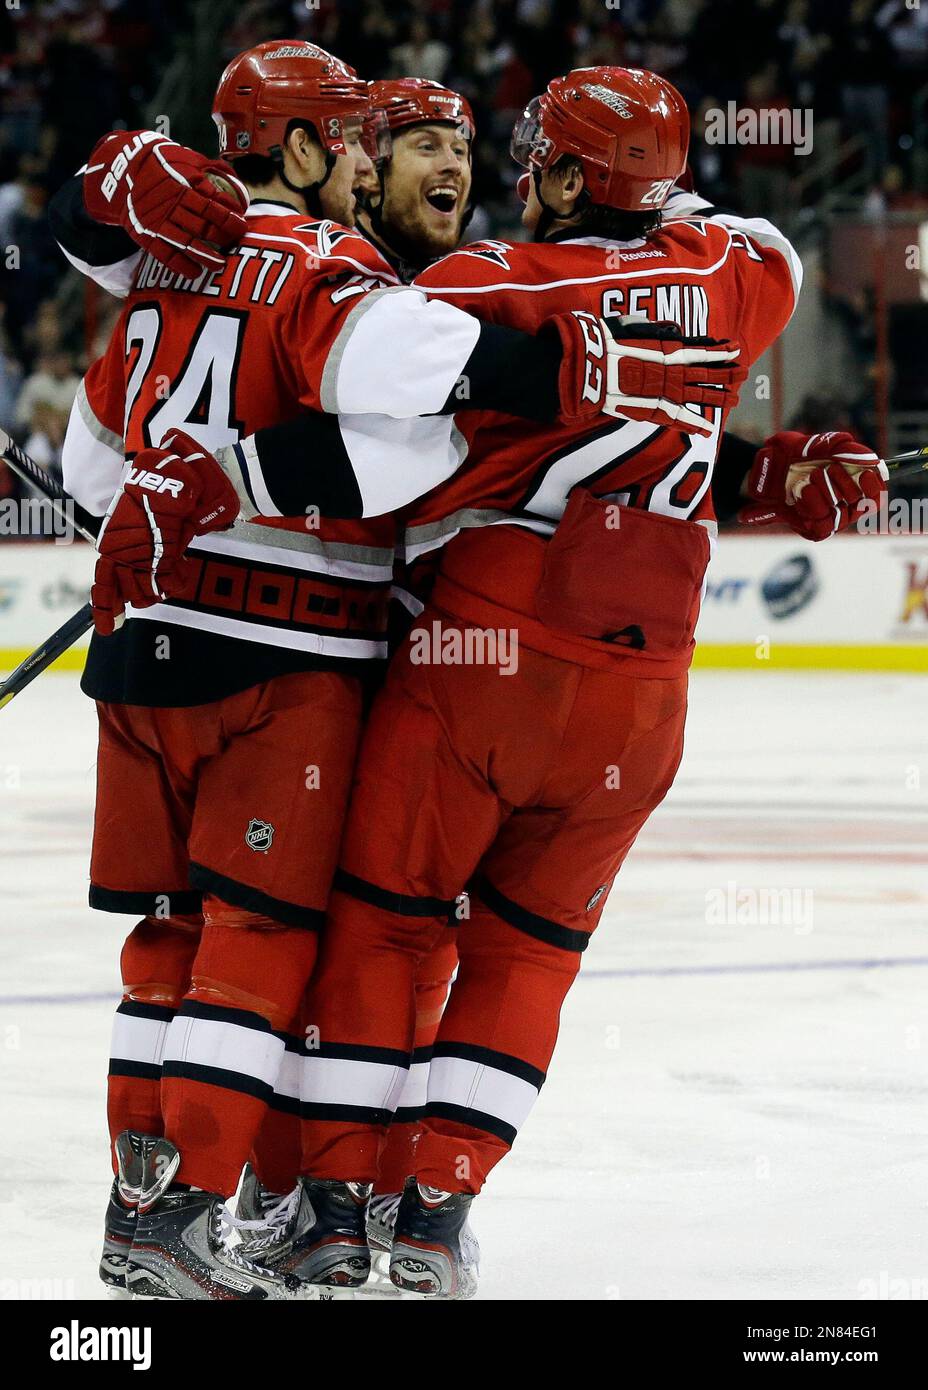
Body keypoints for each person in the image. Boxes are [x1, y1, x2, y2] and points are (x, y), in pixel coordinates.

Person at [169, 66, 883, 1299]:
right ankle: (435, 1221)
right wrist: (768, 473)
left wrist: (213, 482)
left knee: (382, 924)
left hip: (481, 658)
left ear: (559, 174)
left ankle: (335, 1214)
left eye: (528, 159)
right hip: (645, 687)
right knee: (529, 957)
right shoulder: (734, 273)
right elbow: (729, 291)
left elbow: (379, 452)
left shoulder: (483, 283)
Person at [53, 45, 731, 1299]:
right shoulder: (368, 276)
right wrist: (592, 373)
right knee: (290, 939)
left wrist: (110, 181)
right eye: (392, 141)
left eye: (453, 148)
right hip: (308, 657)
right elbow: (418, 401)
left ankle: (199, 1202)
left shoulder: (190, 260)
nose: (428, 164)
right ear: (323, 153)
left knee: (188, 936)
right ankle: (295, 1201)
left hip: (183, 652)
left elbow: (95, 475)